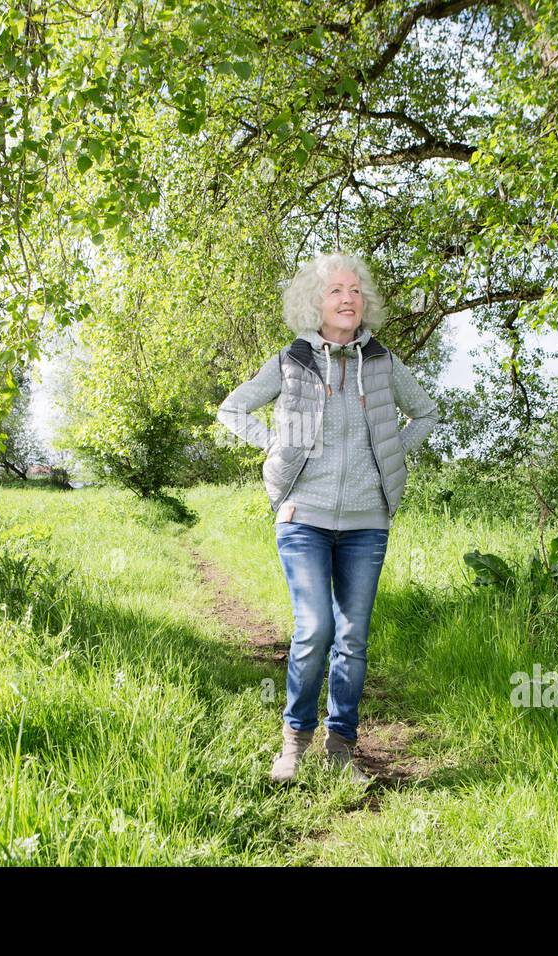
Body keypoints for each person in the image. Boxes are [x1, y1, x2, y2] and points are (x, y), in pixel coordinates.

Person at [216, 252, 441, 785]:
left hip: (368, 520)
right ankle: (294, 743)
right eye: (336, 290)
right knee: (314, 628)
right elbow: (233, 409)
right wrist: (277, 446)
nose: (347, 298)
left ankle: (341, 748)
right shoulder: (292, 360)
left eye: (355, 290)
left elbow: (426, 412)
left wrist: (394, 452)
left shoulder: (383, 362)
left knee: (353, 638)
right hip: (303, 513)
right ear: (315, 303)